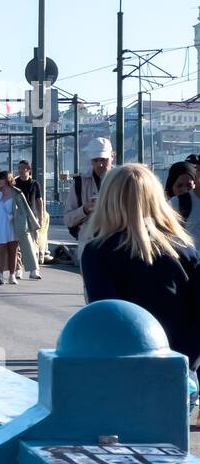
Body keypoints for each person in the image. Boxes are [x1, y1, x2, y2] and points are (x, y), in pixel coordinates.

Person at [80, 163, 200, 366]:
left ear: (108, 200)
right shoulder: (183, 248)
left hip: (127, 364)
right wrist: (188, 361)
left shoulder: (97, 252)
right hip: (180, 362)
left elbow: (107, 315)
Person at [0, 170, 41, 284]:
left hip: (14, 226)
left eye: (0, 179)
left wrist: (33, 223)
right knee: (0, 251)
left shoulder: (17, 193)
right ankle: (0, 274)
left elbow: (25, 210)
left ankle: (12, 275)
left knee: (13, 251)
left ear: (6, 180)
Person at [63, 137, 114, 239]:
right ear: (91, 161)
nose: (100, 164)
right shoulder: (79, 183)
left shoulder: (123, 180)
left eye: (104, 160)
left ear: (112, 157)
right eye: (95, 160)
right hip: (88, 241)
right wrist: (85, 209)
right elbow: (68, 220)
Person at [13, 159, 48, 264]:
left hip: (32, 216)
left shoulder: (34, 184)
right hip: (18, 216)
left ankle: (33, 265)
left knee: (32, 241)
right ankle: (18, 266)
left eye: (23, 168)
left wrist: (41, 217)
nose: (20, 170)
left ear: (28, 169)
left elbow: (39, 201)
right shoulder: (15, 183)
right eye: (19, 168)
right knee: (17, 242)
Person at [165, 160, 200, 242]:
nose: (185, 190)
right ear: (171, 186)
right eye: (179, 186)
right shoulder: (170, 205)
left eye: (189, 185)